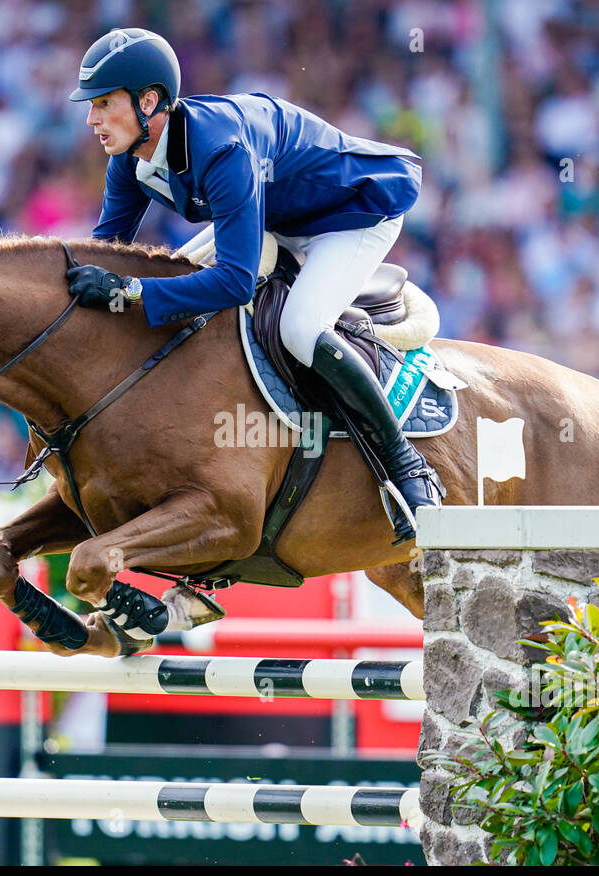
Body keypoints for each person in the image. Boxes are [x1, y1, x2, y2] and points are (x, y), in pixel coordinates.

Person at [65, 27, 443, 543]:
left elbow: (237, 282)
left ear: (148, 101)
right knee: (177, 270)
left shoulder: (220, 147)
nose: (91, 118)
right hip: (277, 218)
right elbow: (103, 255)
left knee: (300, 328)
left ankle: (407, 467)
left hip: (351, 214)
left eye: (104, 103)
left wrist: (129, 292)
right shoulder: (130, 160)